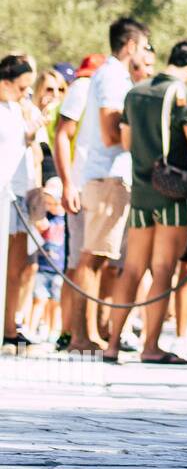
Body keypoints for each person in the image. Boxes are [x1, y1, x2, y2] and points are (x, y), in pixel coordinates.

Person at [105, 40, 187, 364]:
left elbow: (126, 141)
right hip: (174, 192)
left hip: (141, 189)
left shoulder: (136, 91)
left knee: (132, 270)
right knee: (163, 269)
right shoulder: (185, 94)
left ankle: (111, 345)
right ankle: (150, 347)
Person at [62, 19, 155, 356]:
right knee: (92, 258)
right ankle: (80, 337)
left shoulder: (112, 75)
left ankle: (88, 334)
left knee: (98, 260)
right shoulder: (114, 75)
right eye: (144, 46)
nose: (146, 53)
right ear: (129, 45)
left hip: (108, 177)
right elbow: (111, 132)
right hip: (107, 177)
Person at [53, 54, 104, 352]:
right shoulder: (83, 87)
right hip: (81, 186)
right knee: (78, 264)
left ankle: (85, 331)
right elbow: (62, 134)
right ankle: (69, 332)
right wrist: (68, 183)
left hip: (95, 184)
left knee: (93, 262)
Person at [0, 56, 37, 346]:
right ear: (5, 83)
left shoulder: (17, 109)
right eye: (22, 87)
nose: (26, 92)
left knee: (16, 266)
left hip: (17, 194)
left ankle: (9, 325)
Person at [29, 176, 66, 341]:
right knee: (39, 299)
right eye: (48, 203)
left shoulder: (66, 220)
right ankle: (31, 329)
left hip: (59, 268)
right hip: (43, 267)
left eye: (54, 203)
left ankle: (53, 332)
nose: (51, 207)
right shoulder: (44, 219)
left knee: (56, 302)